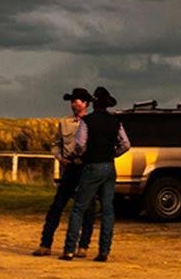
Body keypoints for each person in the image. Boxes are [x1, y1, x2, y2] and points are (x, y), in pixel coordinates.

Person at [61, 85, 130, 262]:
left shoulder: (88, 121)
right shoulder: (115, 122)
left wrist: (76, 155)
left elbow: (80, 144)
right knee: (107, 210)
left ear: (94, 104)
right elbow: (126, 144)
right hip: (109, 165)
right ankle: (104, 251)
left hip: (92, 165)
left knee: (78, 208)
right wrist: (112, 154)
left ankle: (69, 249)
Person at [34, 87, 97, 256]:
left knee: (88, 208)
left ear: (85, 103)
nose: (73, 104)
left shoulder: (92, 122)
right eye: (72, 101)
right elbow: (56, 143)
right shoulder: (64, 122)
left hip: (86, 167)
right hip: (69, 167)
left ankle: (83, 246)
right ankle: (45, 244)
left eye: (76, 101)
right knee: (57, 205)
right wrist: (59, 157)